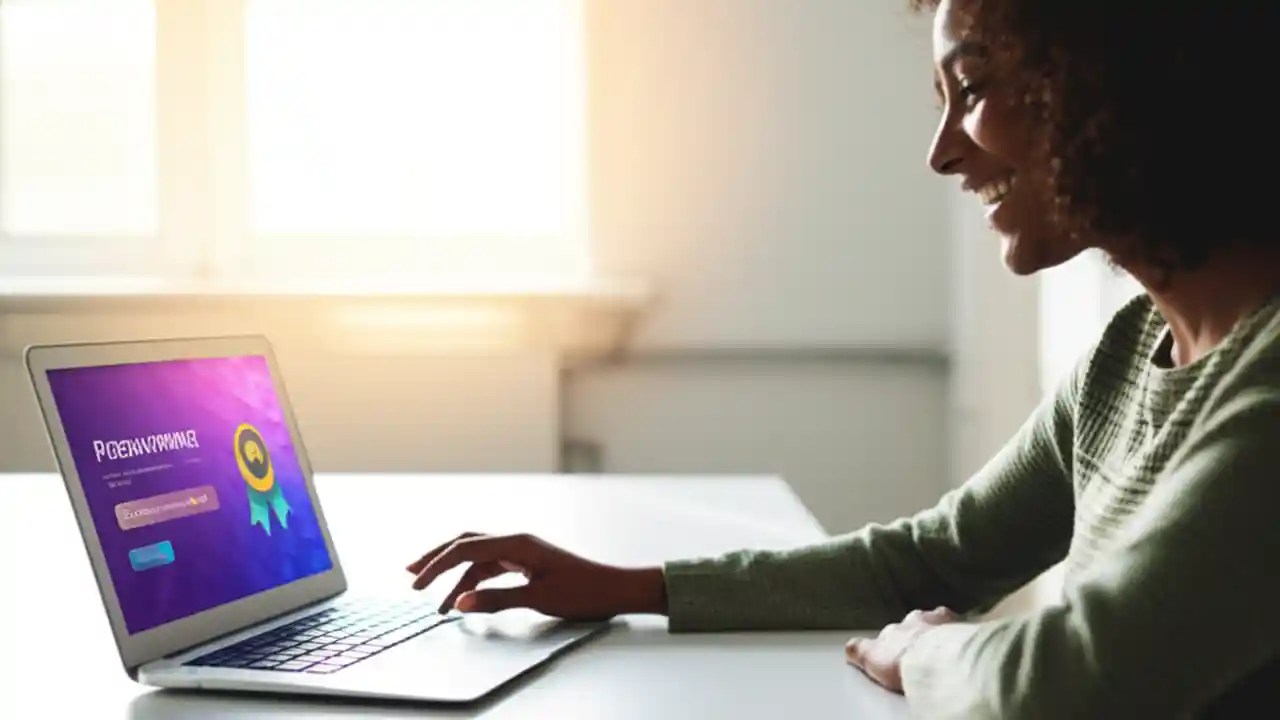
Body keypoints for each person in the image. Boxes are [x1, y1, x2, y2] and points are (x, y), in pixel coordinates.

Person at [405, 1, 1280, 716]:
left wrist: (924, 650)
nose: (941, 152)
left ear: (1108, 82)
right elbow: (929, 560)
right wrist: (626, 586)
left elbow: (1068, 683)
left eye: (970, 88)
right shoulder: (1127, 354)